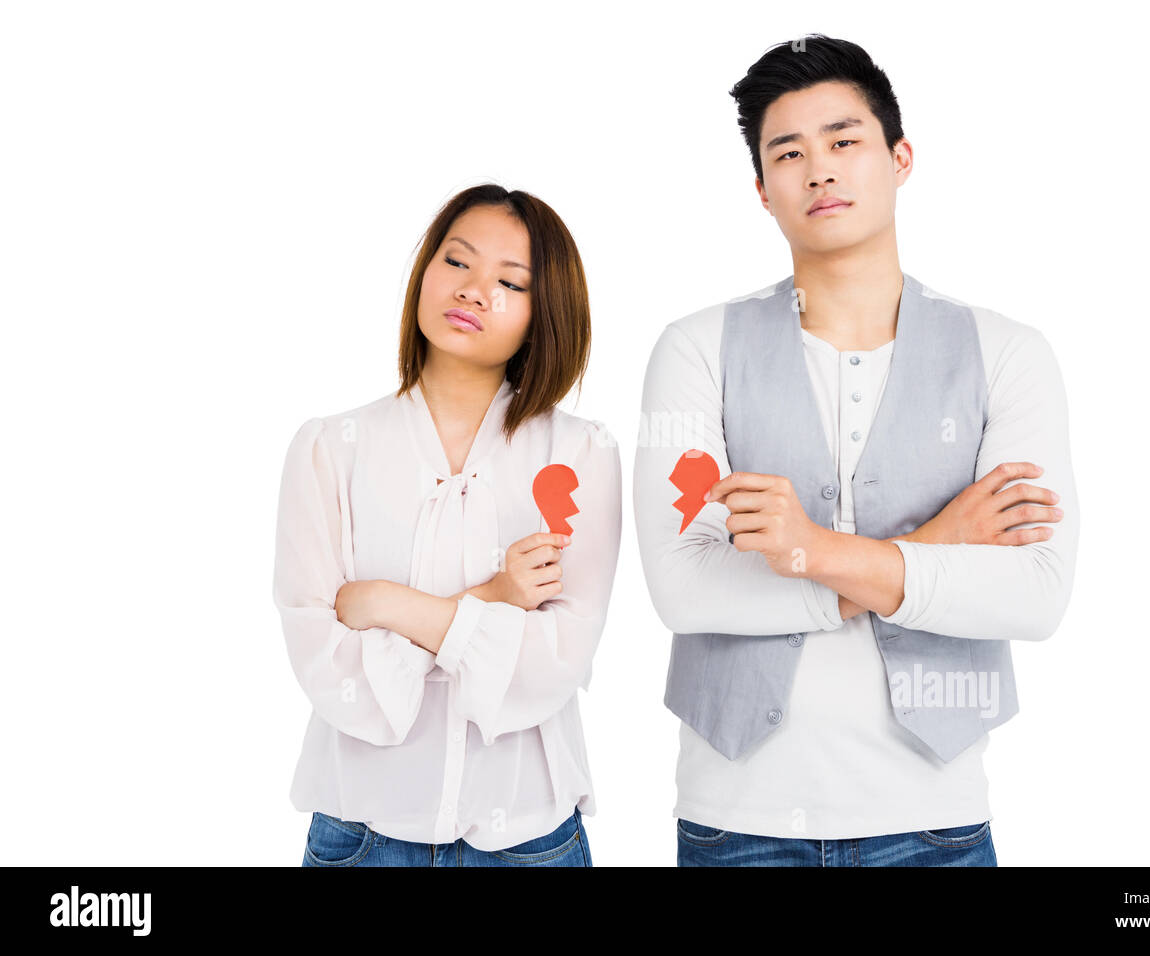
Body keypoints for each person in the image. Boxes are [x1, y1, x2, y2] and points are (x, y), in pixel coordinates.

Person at [633, 34, 1079, 867]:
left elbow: (1036, 595)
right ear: (762, 191)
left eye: (844, 142)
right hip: (739, 822)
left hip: (934, 819)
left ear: (900, 157)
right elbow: (684, 587)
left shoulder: (1007, 351)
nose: (821, 170)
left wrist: (816, 554)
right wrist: (937, 545)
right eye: (789, 153)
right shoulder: (696, 349)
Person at [273, 183, 620, 866]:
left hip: (528, 841)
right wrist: (490, 599)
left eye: (509, 281)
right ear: (425, 271)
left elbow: (555, 661)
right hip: (361, 839)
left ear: (543, 311)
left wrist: (383, 605)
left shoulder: (578, 454)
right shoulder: (327, 448)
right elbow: (324, 661)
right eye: (457, 262)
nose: (473, 289)